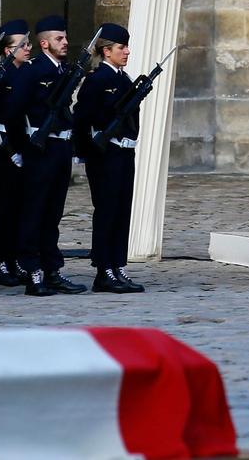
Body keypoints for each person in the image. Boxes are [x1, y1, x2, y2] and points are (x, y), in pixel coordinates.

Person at [5, 15, 88, 296]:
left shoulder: (64, 71)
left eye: (65, 38)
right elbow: (13, 114)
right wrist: (20, 149)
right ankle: (33, 271)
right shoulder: (31, 71)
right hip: (39, 149)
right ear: (44, 43)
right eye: (59, 39)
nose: (65, 43)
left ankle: (52, 269)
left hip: (61, 148)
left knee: (53, 213)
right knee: (34, 212)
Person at [74, 23, 145, 294]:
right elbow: (82, 117)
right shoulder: (97, 80)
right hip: (105, 155)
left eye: (126, 47)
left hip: (124, 152)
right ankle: (104, 270)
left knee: (121, 210)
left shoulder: (123, 79)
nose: (126, 52)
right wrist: (85, 151)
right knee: (107, 211)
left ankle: (118, 266)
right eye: (121, 47)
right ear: (106, 51)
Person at [0, 18, 32, 287]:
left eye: (28, 43)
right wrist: (10, 151)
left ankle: (14, 260)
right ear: (6, 49)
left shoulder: (27, 72)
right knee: (3, 207)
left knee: (20, 207)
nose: (27, 48)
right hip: (3, 148)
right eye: (21, 45)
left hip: (23, 144)